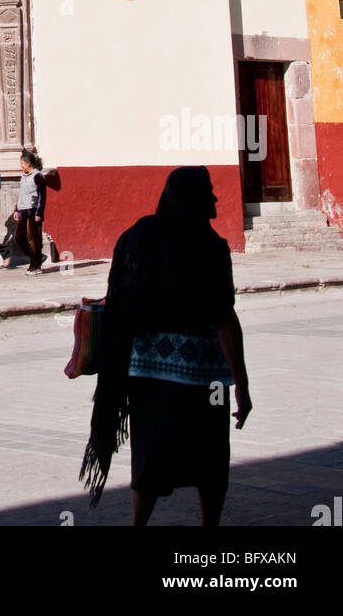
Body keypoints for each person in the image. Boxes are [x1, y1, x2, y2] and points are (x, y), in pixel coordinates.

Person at [80, 166, 252, 527]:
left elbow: (120, 298)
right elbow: (224, 320)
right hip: (207, 381)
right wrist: (242, 387)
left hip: (147, 374)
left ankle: (138, 525)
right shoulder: (212, 247)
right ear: (193, 197)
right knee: (211, 456)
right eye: (208, 191)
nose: (215, 198)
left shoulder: (137, 237)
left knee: (151, 455)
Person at [13, 151, 46, 274]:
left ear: (28, 164)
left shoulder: (38, 176)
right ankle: (38, 257)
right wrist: (16, 209)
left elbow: (42, 196)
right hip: (23, 210)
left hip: (33, 210)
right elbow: (22, 193)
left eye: (22, 163)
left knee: (33, 239)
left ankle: (35, 265)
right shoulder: (23, 176)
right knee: (19, 237)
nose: (21, 165)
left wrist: (39, 212)